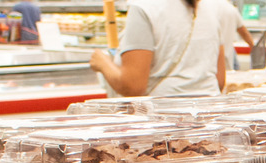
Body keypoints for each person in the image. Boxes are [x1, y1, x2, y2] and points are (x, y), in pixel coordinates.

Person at [90, 0, 227, 96]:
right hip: (209, 115)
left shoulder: (144, 7)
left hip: (163, 120)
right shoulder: (212, 6)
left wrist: (103, 63)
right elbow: (220, 80)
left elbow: (133, 86)